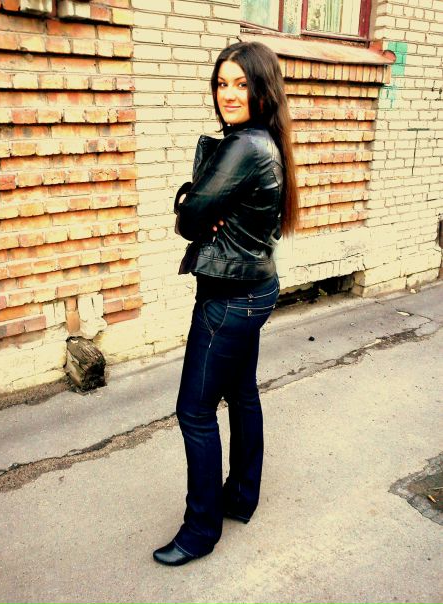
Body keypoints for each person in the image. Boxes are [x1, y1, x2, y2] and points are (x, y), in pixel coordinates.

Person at [153, 41, 299, 566]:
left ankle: (200, 531)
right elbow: (204, 213)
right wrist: (201, 205)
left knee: (194, 411)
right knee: (240, 393)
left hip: (229, 299)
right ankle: (240, 497)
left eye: (241, 84)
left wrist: (191, 205)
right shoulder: (266, 141)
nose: (229, 94)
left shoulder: (243, 147)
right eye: (222, 83)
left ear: (263, 90)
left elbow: (192, 219)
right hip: (256, 289)